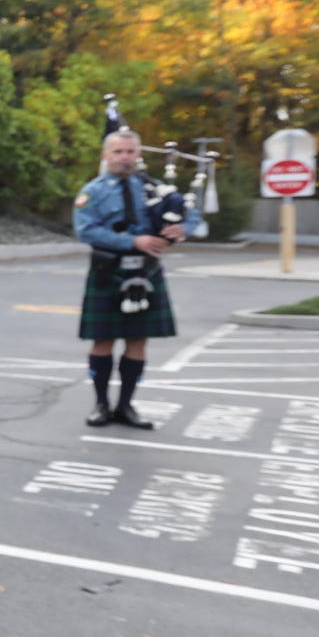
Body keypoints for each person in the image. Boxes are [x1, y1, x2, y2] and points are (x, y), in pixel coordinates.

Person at [74, 128, 184, 427]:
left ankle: (126, 406)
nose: (125, 158)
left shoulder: (154, 189)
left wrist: (179, 230)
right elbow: (86, 230)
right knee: (103, 340)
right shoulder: (93, 192)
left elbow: (186, 213)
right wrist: (132, 242)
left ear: (139, 155)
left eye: (130, 152)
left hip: (146, 271)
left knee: (138, 340)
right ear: (106, 155)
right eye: (118, 152)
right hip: (108, 271)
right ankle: (100, 405)